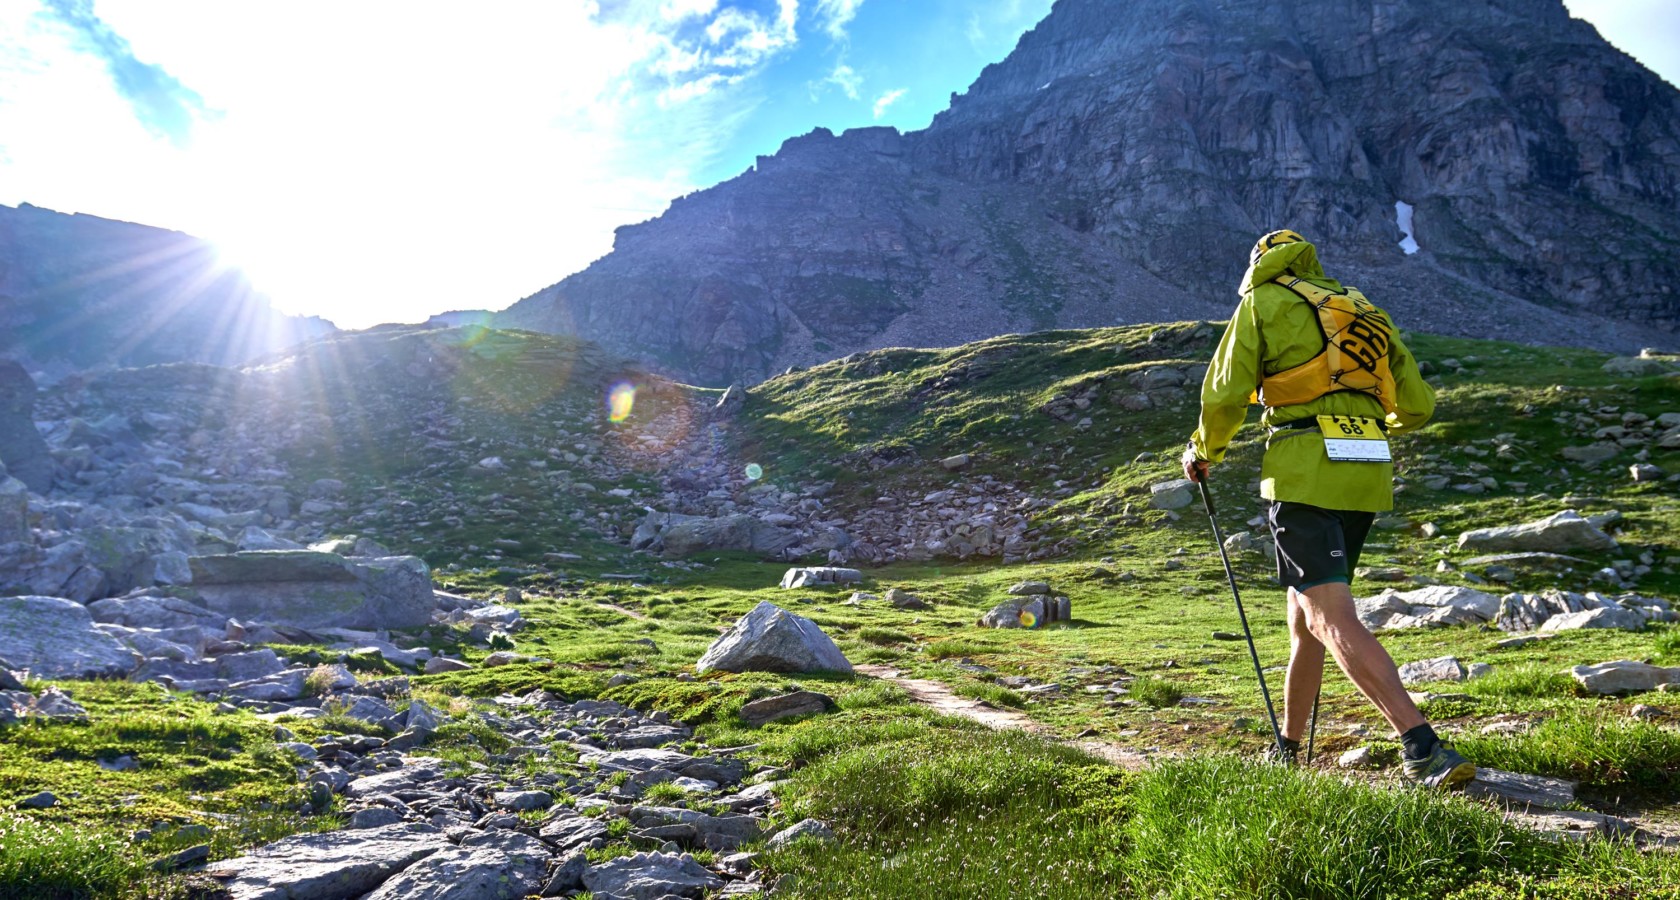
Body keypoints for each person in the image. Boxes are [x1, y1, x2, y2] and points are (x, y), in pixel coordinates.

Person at [1181, 229, 1475, 789]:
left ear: (1259, 263)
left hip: (1305, 467)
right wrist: (1362, 423)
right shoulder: (1362, 310)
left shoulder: (1262, 302)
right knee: (1305, 618)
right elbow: (1417, 406)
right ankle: (1287, 749)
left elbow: (1224, 392)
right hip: (1366, 470)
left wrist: (1203, 450)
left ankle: (1422, 746)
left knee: (1327, 615)